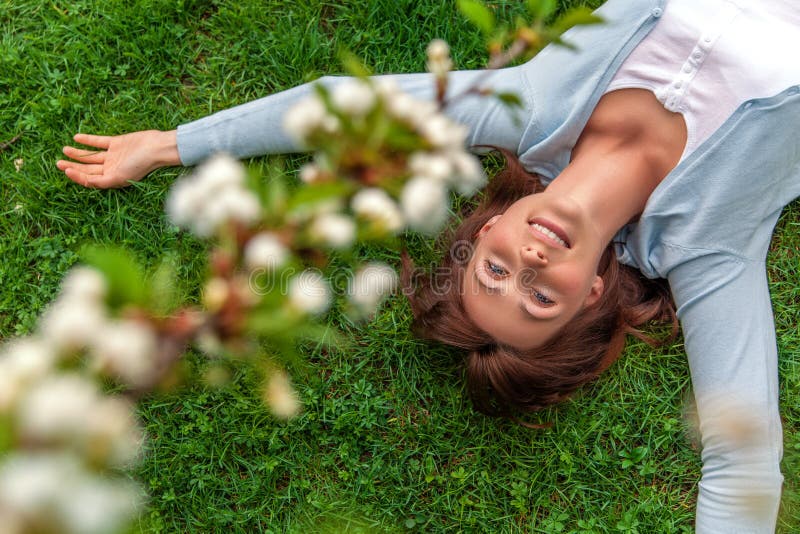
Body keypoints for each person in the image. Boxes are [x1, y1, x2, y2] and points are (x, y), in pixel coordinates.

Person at [56, 0, 799, 531]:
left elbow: (346, 106)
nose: (529, 262)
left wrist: (171, 145)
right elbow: (742, 463)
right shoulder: (709, 246)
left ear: (489, 228)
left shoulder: (530, 108)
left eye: (496, 272)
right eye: (541, 298)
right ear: (593, 294)